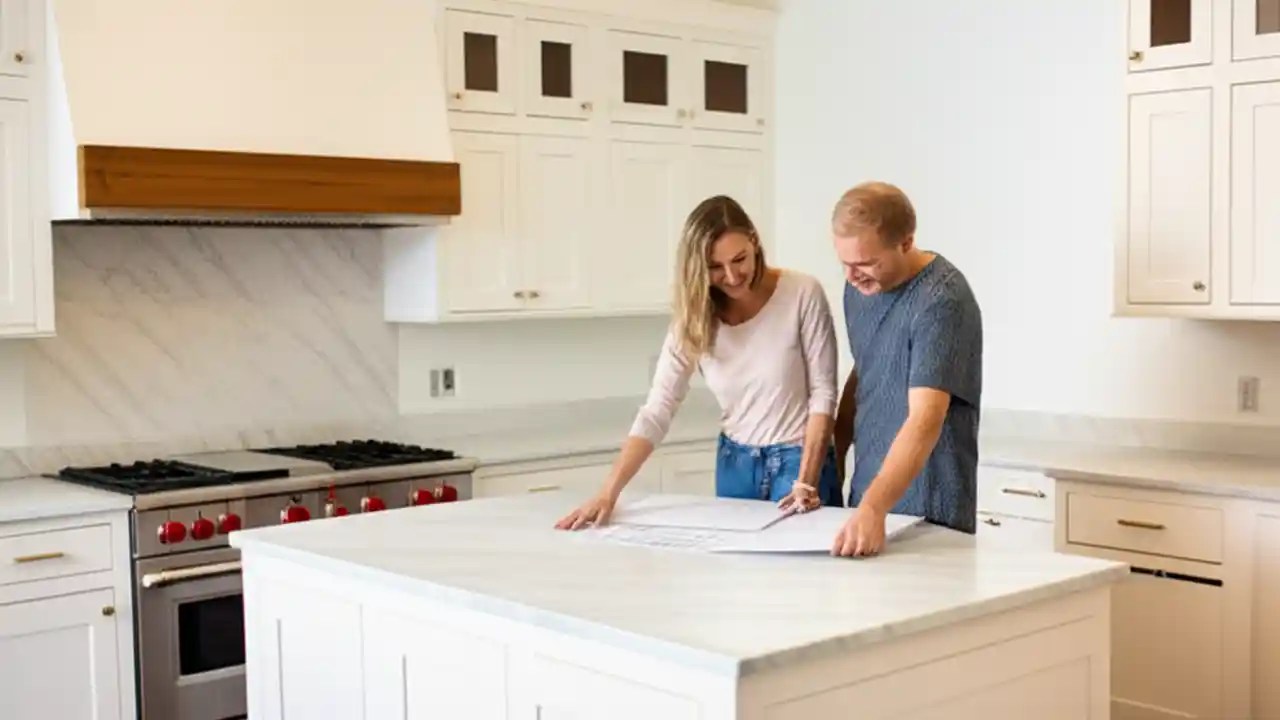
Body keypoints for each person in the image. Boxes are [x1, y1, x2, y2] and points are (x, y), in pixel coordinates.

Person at [555, 195, 843, 530]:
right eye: (716, 268)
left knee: (803, 578)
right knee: (736, 578)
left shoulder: (801, 292)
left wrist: (806, 480)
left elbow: (823, 393)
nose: (733, 276)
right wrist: (608, 493)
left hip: (799, 460)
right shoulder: (694, 317)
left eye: (740, 259)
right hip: (734, 465)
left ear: (754, 241)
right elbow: (658, 408)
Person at [827, 181, 983, 558]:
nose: (852, 276)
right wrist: (832, 459)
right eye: (845, 263)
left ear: (906, 242)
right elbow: (866, 369)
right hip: (869, 499)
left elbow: (925, 418)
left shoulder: (942, 300)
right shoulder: (860, 288)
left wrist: (874, 507)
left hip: (930, 510)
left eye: (866, 262)